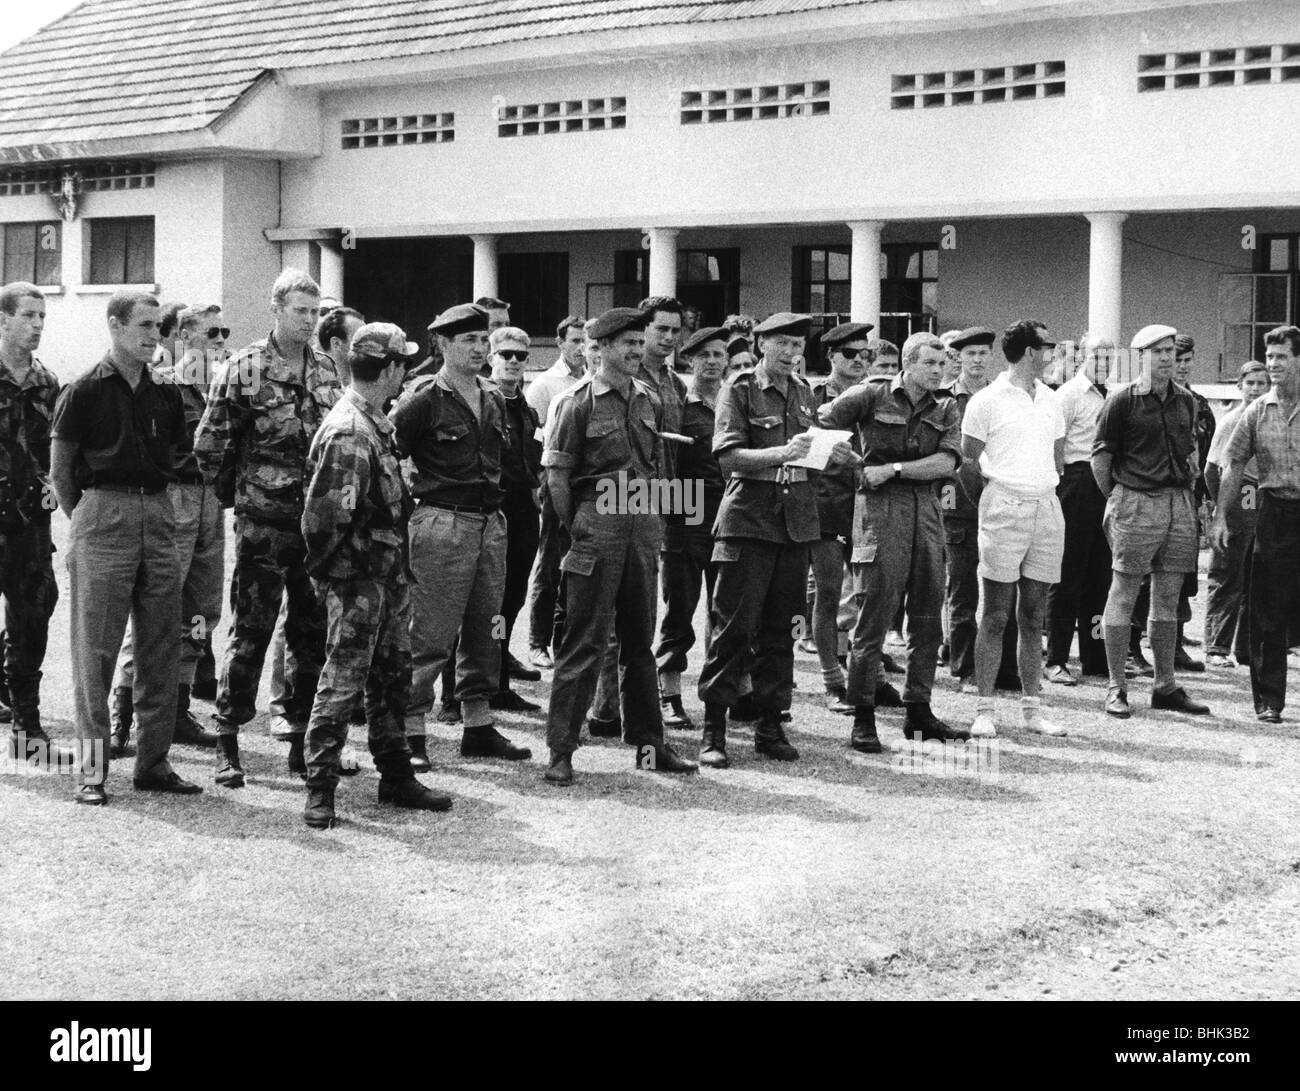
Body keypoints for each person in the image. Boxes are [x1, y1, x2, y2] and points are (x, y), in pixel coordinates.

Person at [300, 322, 452, 827]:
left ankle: (395, 776)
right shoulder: (350, 431)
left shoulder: (373, 424)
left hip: (386, 576)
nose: (407, 371)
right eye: (403, 363)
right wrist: (336, 582)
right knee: (343, 681)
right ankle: (319, 787)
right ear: (388, 370)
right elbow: (324, 523)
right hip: (357, 580)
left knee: (392, 677)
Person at [194, 268, 341, 787]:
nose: (310, 320)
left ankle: (300, 739)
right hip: (263, 525)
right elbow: (211, 445)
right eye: (301, 310)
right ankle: (228, 738)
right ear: (276, 310)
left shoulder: (326, 369)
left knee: (309, 633)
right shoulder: (246, 366)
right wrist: (243, 501)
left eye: (316, 311)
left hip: (314, 529)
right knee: (251, 632)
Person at [51, 290, 198, 804]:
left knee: (161, 644)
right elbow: (61, 472)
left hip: (157, 514)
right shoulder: (85, 389)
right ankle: (92, 773)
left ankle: (153, 763)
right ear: (115, 326)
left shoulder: (164, 393)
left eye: (159, 326)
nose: (154, 335)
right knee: (96, 651)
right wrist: (92, 520)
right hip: (103, 515)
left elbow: (178, 454)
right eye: (144, 325)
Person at [541, 307, 697, 784]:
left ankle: (650, 747)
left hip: (643, 526)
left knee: (640, 644)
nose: (635, 351)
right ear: (601, 348)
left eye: (638, 341)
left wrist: (656, 520)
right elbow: (557, 476)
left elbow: (658, 465)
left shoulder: (649, 398)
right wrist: (582, 528)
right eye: (625, 344)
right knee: (583, 642)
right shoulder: (576, 402)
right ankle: (562, 752)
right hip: (598, 524)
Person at [697, 312, 855, 765]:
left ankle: (770, 724)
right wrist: (784, 452)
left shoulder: (805, 393)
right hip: (749, 522)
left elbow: (811, 457)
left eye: (796, 345)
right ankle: (715, 730)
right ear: (762, 344)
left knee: (781, 631)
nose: (790, 353)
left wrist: (835, 455)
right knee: (733, 628)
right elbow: (728, 458)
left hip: (795, 524)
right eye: (782, 344)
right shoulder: (740, 389)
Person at [390, 303, 530, 768]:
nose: (479, 348)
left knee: (487, 628)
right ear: (443, 345)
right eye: (467, 340)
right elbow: (388, 449)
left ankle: (478, 724)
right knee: (429, 633)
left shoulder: (492, 396)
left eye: (482, 339)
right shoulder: (424, 397)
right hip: (442, 523)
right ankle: (410, 733)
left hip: (489, 524)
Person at [821, 332, 966, 750]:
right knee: (874, 619)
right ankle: (862, 716)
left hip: (927, 515)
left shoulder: (946, 406)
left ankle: (918, 710)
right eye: (931, 363)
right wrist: (850, 460)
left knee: (926, 621)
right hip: (879, 516)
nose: (939, 371)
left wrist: (894, 469)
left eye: (942, 364)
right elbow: (820, 421)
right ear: (908, 363)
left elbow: (946, 461)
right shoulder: (872, 394)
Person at [109, 304, 228, 757]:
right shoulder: (160, 385)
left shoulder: (221, 387)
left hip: (210, 502)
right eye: (210, 332)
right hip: (172, 498)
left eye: (224, 332)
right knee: (153, 605)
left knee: (200, 610)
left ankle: (178, 711)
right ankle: (123, 719)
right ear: (180, 337)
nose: (220, 341)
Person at [1093, 324, 1209, 719]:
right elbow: (1101, 458)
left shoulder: (1187, 401)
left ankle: (1165, 684)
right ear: (1139, 355)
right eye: (1157, 351)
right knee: (1123, 590)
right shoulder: (1122, 400)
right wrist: (1121, 498)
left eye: (1171, 351)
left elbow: (1191, 450)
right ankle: (1116, 687)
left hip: (1179, 502)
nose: (1166, 358)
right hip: (1136, 500)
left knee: (1168, 597)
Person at [959, 321, 1067, 738]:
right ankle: (984, 709)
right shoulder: (985, 401)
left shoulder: (1052, 400)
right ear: (1029, 352)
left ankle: (1031, 710)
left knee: (1034, 615)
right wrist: (995, 501)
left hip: (1046, 506)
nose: (1053, 353)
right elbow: (968, 462)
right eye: (1048, 346)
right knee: (996, 613)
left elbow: (1058, 461)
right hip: (1003, 506)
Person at [1213, 327, 1300, 722]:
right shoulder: (1256, 411)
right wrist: (1220, 516)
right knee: (1267, 609)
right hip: (1274, 513)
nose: (1273, 364)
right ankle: (1269, 701)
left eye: (1281, 357)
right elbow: (1231, 465)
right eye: (1269, 357)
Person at [807, 322, 892, 714]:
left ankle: (868, 674)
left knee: (870, 594)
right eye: (850, 355)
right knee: (828, 594)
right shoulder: (813, 396)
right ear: (830, 357)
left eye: (866, 355)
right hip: (827, 502)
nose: (859, 361)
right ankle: (831, 679)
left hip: (870, 504)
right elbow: (805, 448)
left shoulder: (878, 396)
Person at [0, 282, 68, 769]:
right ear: (3, 320)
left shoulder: (48, 383)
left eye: (42, 316)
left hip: (29, 526)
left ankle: (27, 724)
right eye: (28, 316)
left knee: (33, 615)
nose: (38, 325)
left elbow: (59, 456)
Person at [655, 325, 728, 729]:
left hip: (728, 511)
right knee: (679, 608)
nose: (713, 362)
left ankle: (720, 692)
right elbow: (666, 463)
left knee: (726, 608)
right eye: (705, 355)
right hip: (687, 511)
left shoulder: (734, 401)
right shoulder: (679, 404)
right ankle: (669, 693)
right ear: (689, 360)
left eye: (720, 355)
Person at [1045, 334, 1114, 683]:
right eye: (1097, 357)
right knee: (1067, 575)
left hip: (1105, 485)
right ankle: (1056, 657)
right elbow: (1054, 445)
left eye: (1109, 358)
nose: (1103, 364)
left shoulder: (1113, 396)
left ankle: (1096, 657)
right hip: (1075, 482)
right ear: (1082, 358)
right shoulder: (1068, 394)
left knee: (1101, 578)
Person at [524, 314, 587, 671]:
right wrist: (538, 482)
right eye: (574, 341)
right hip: (554, 481)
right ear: (560, 343)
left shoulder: (593, 382)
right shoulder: (546, 385)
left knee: (574, 566)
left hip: (585, 487)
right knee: (548, 563)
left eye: (585, 341)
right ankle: (536, 641)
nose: (580, 348)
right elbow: (534, 440)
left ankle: (565, 639)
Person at [487, 325, 543, 710]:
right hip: (492, 507)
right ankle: (467, 689)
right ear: (492, 357)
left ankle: (498, 678)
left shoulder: (526, 408)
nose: (512, 362)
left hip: (523, 510)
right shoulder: (480, 401)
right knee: (484, 601)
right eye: (505, 354)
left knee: (511, 600)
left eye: (520, 356)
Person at [1203, 360, 1269, 667]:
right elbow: (1212, 469)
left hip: (1265, 498)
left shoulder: (1272, 416)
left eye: (1262, 383)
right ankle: (1216, 646)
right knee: (1228, 572)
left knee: (1257, 576)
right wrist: (1222, 508)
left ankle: (1247, 647)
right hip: (1242, 492)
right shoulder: (1233, 420)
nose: (1256, 389)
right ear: (1240, 386)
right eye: (1250, 383)